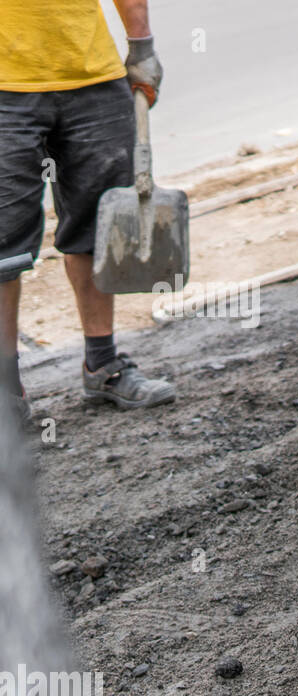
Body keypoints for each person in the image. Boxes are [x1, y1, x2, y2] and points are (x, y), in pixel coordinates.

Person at [0, 0, 177, 422]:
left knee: (100, 225)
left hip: (93, 77)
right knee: (3, 249)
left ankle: (102, 364)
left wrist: (141, 46)